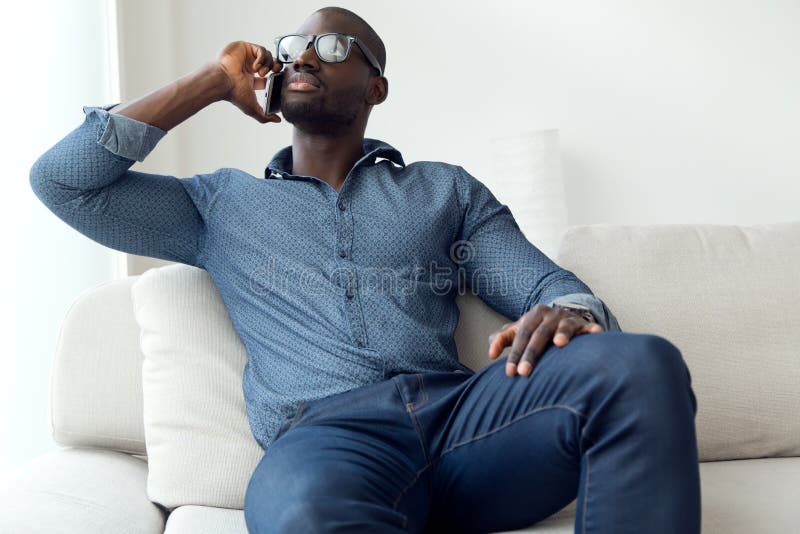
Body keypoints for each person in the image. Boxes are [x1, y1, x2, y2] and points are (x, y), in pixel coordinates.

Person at [29, 6, 700, 534]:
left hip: (467, 425)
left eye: (331, 48)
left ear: (376, 85)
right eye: (291, 48)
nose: (303, 57)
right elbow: (65, 182)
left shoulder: (445, 192)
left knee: (639, 364)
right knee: (307, 514)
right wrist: (209, 83)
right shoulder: (218, 208)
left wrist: (573, 315)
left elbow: (545, 287)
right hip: (326, 446)